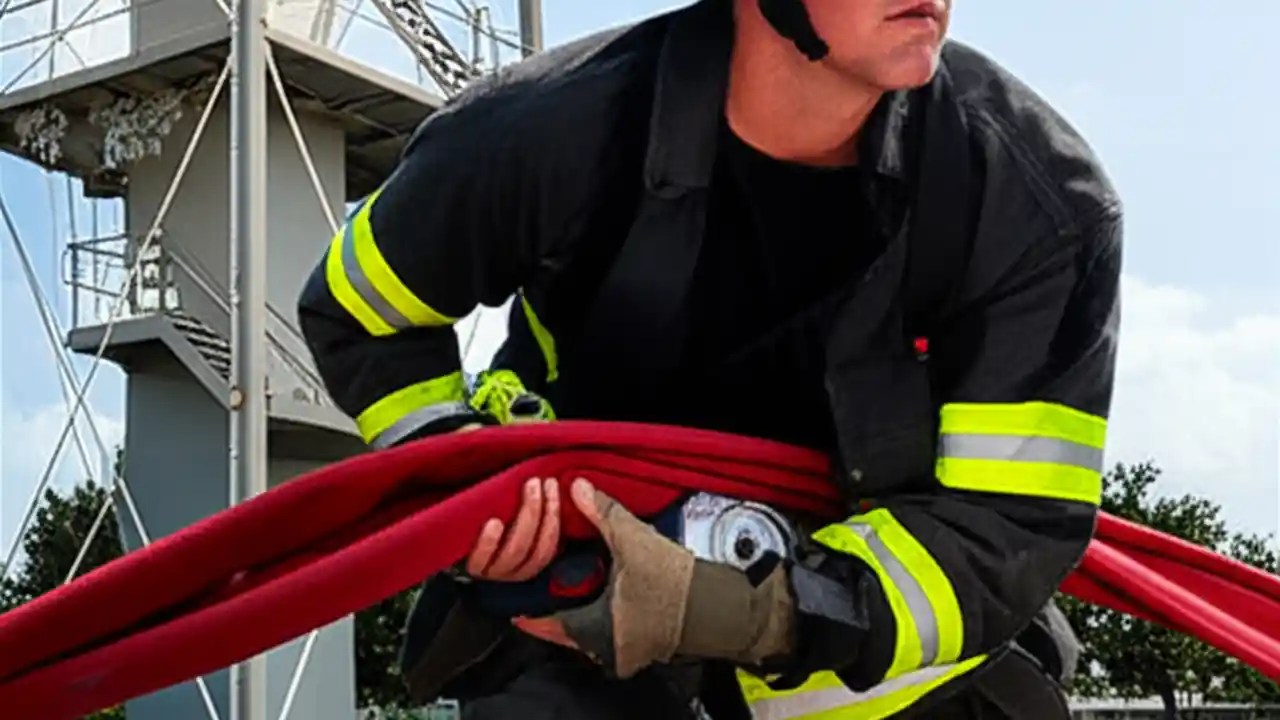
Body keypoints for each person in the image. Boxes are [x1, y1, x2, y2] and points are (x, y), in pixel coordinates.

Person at [296, 0, 1122, 717]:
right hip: (578, 630)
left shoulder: (1034, 206)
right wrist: (460, 476)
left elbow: (1007, 525)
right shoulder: (541, 135)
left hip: (877, 678)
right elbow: (358, 314)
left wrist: (745, 614)